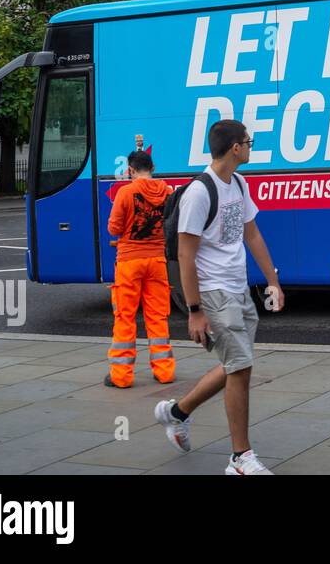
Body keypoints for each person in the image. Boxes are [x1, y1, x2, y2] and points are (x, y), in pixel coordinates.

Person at [153, 119, 283, 476]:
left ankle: (176, 413)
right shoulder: (199, 192)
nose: (251, 145)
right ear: (235, 148)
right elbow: (185, 255)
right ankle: (240, 458)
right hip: (214, 293)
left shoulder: (238, 183)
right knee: (240, 367)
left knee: (234, 365)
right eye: (248, 141)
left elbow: (252, 234)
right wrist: (194, 311)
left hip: (238, 289)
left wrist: (272, 280)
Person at [104, 150, 175, 387]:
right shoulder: (167, 192)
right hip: (157, 261)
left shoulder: (126, 192)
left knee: (125, 316)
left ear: (131, 170)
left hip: (129, 261)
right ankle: (164, 371)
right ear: (153, 167)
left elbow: (114, 229)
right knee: (157, 315)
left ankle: (122, 376)